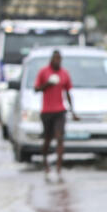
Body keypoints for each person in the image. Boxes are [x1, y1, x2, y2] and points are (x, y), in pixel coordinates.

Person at [33, 49, 79, 179]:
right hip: (46, 111)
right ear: (51, 60)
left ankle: (59, 167)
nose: (57, 61)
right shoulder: (43, 72)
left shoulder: (64, 74)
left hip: (60, 111)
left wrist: (72, 111)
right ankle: (46, 164)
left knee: (60, 138)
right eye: (55, 59)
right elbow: (36, 89)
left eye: (59, 59)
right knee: (47, 139)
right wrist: (48, 84)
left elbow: (68, 93)